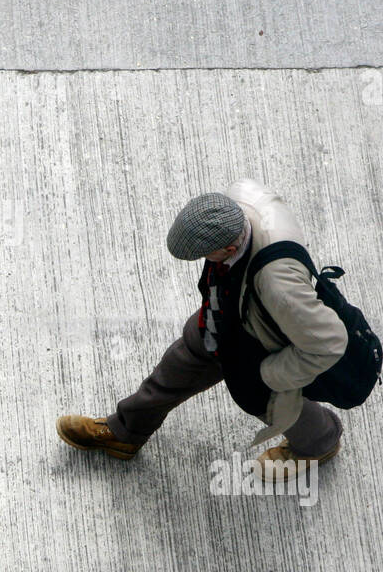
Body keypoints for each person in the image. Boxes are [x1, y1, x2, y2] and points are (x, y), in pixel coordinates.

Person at [57, 178, 348, 476]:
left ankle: (319, 442)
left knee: (271, 402)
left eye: (205, 255)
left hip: (261, 341)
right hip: (222, 318)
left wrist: (272, 374)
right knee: (174, 369)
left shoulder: (278, 285)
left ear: (231, 246)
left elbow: (329, 342)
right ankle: (124, 433)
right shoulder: (241, 199)